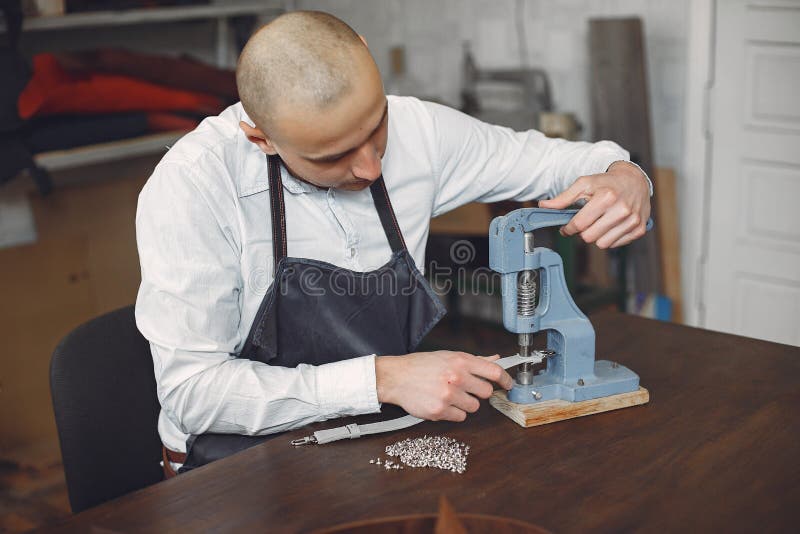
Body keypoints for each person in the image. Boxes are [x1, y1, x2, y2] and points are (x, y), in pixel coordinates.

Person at [135, 11, 652, 475]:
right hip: (235, 465)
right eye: (333, 157)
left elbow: (551, 160)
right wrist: (381, 379)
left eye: (375, 126)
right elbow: (193, 394)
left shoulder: (419, 129)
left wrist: (625, 175)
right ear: (261, 139)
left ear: (367, 53)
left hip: (373, 440)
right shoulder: (195, 185)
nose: (370, 166)